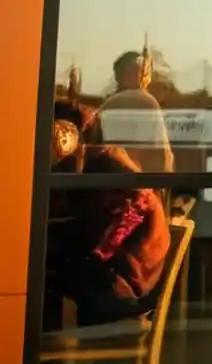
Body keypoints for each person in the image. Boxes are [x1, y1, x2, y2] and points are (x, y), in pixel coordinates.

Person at [46, 117, 171, 327]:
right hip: (116, 268)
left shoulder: (115, 173)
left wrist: (96, 255)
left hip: (122, 281)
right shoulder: (97, 170)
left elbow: (125, 221)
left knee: (43, 271)